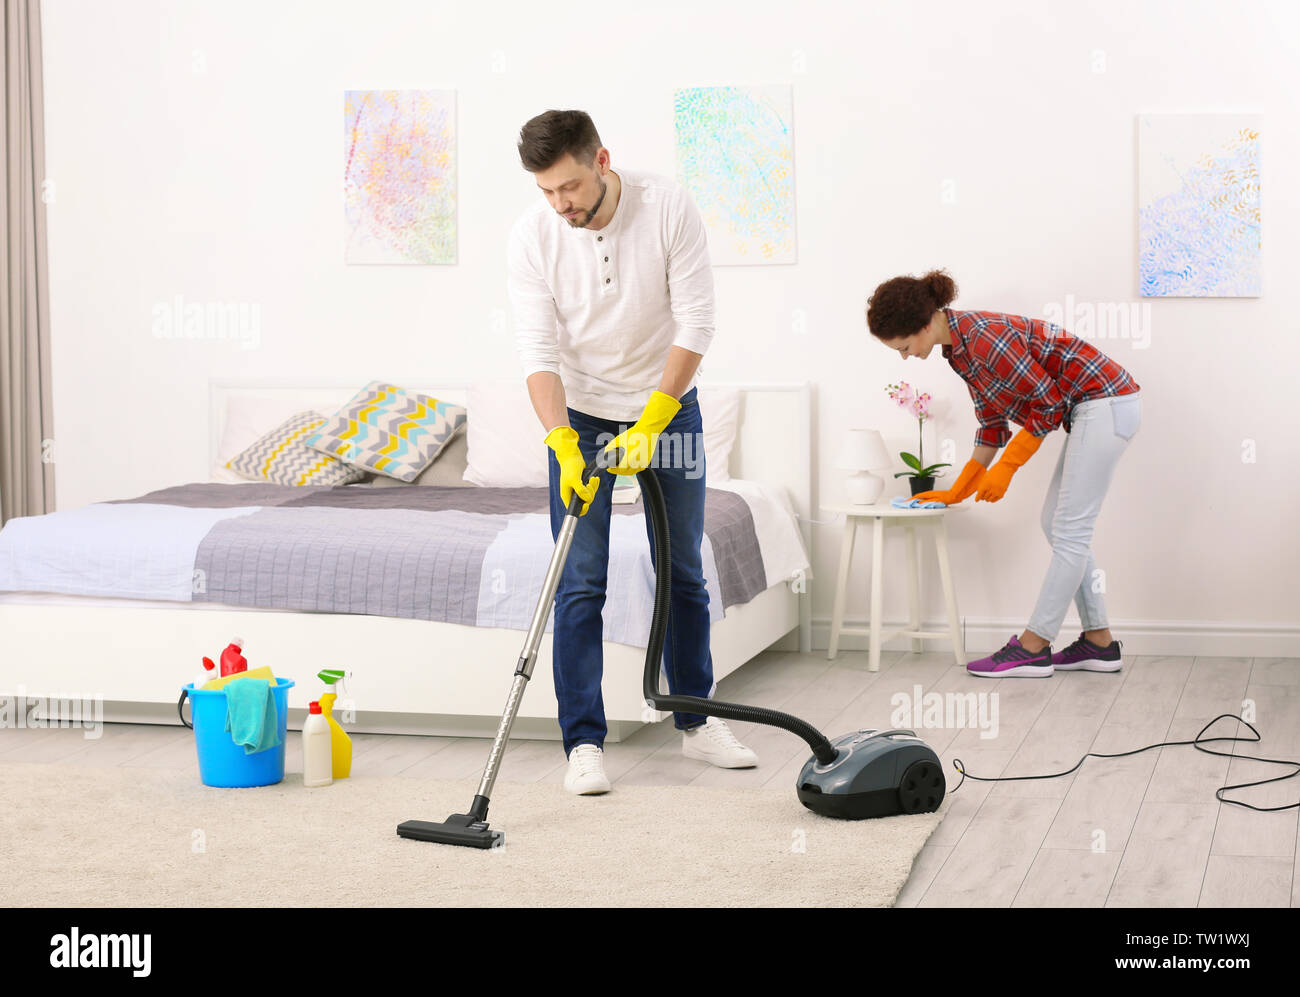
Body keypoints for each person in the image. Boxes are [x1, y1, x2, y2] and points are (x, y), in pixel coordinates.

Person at [507, 109, 758, 794]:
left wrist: (654, 418)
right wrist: (561, 438)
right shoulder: (534, 237)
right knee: (580, 579)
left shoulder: (667, 206)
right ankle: (583, 743)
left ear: (603, 160)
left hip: (669, 411)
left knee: (682, 570)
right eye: (547, 192)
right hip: (581, 419)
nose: (561, 205)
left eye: (570, 187)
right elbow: (538, 351)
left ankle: (697, 723)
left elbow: (698, 320)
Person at [865, 269, 1142, 678]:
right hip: (1097, 408)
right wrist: (957, 490)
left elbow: (1046, 403)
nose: (906, 357)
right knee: (1059, 525)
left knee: (1069, 530)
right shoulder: (959, 350)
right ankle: (1099, 642)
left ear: (925, 324)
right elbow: (993, 423)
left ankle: (1033, 645)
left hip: (1105, 404)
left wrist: (1008, 469)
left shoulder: (983, 337)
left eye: (905, 347)